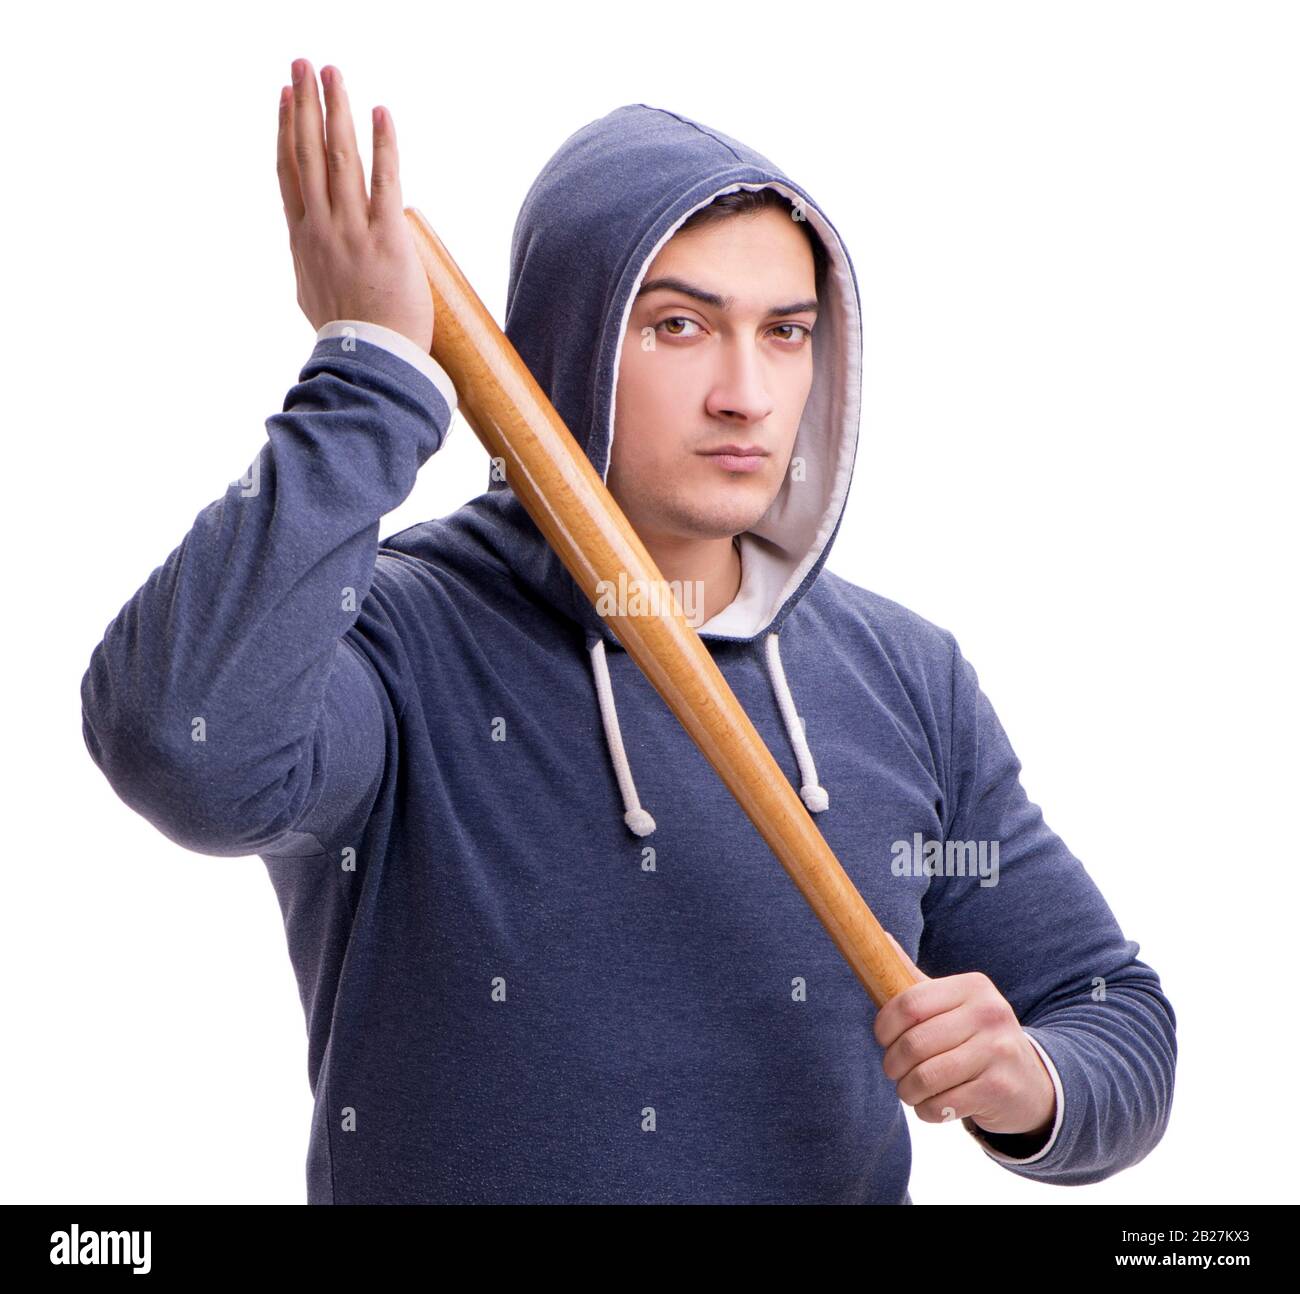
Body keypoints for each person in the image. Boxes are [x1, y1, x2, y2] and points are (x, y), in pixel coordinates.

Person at [80, 59, 1177, 1205]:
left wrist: (1036, 1078)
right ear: (569, 343)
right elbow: (183, 749)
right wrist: (368, 378)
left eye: (786, 332)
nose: (746, 392)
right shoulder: (397, 638)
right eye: (680, 326)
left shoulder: (903, 674)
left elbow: (1113, 1011)